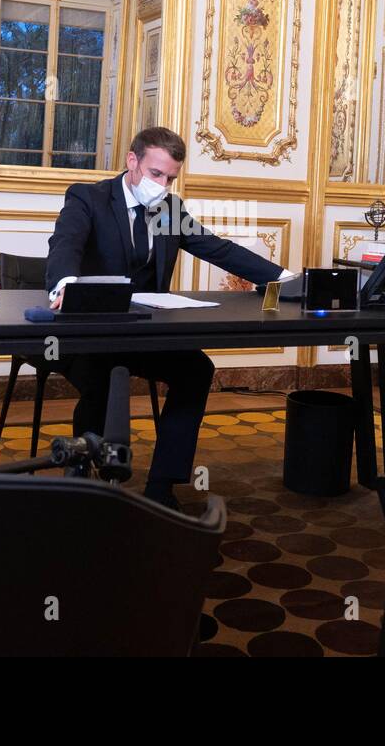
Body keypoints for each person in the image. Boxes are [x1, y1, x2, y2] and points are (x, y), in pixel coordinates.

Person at [46, 126, 294, 509]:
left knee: (197, 370)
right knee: (103, 376)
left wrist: (283, 279)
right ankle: (83, 474)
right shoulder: (89, 198)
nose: (162, 185)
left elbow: (219, 249)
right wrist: (64, 284)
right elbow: (65, 243)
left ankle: (162, 486)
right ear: (133, 161)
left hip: (144, 334)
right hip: (90, 332)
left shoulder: (169, 210)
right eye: (156, 174)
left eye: (170, 178)